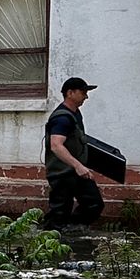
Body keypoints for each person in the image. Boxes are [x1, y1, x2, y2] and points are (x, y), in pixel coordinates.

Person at [42, 76, 104, 230]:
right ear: (70, 93)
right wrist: (78, 166)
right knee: (59, 213)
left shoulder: (74, 114)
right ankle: (50, 239)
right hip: (63, 173)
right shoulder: (62, 118)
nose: (86, 96)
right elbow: (56, 145)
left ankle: (72, 231)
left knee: (94, 203)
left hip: (76, 172)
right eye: (83, 92)